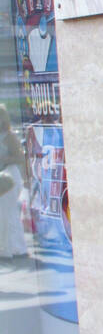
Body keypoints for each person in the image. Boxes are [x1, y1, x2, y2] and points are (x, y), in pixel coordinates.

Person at [0, 105, 29, 260]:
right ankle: (13, 248)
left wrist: (4, 159)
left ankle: (12, 248)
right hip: (2, 175)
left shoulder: (9, 136)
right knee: (5, 213)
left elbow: (19, 158)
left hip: (10, 174)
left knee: (8, 212)